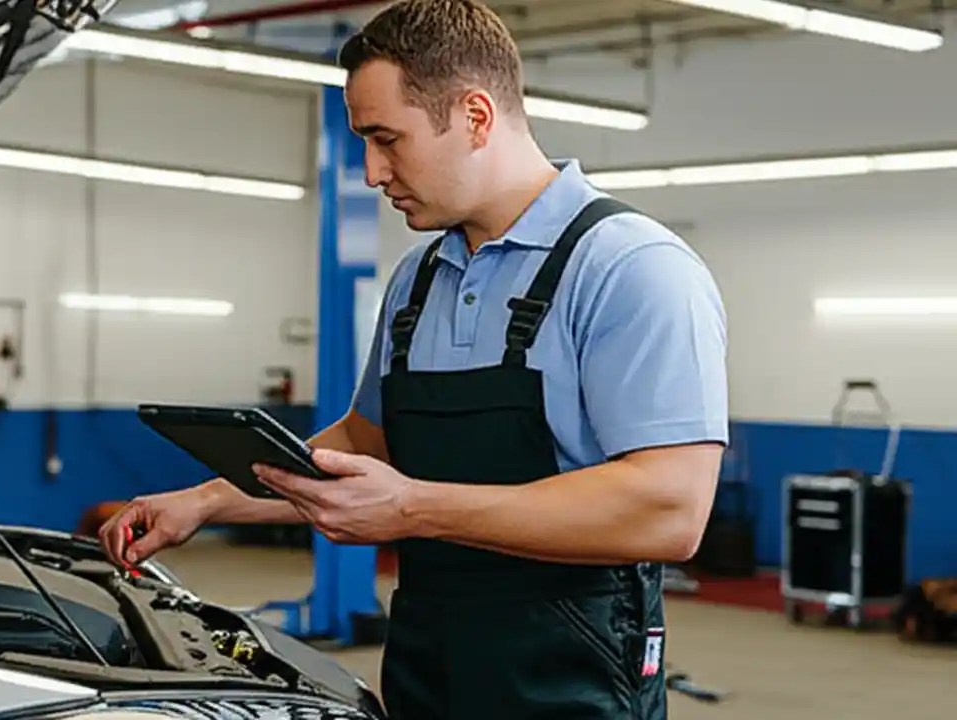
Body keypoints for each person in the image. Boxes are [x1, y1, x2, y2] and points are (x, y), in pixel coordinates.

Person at [99, 0, 728, 717]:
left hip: (572, 682)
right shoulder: (418, 279)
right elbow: (366, 444)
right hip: (427, 673)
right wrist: (207, 500)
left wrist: (412, 507)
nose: (372, 172)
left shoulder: (630, 269)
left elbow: (670, 509)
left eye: (387, 139)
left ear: (475, 117)